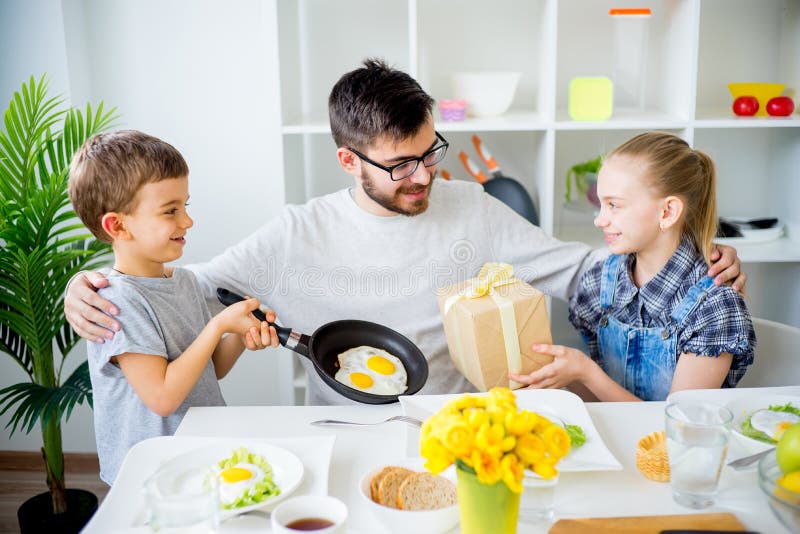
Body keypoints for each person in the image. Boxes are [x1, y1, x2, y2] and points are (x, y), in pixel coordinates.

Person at [64, 60, 745, 406]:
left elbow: (584, 270)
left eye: (430, 152)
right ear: (348, 161)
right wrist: (87, 283)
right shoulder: (297, 233)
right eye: (399, 165)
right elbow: (183, 287)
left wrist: (693, 256)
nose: (423, 176)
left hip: (459, 425)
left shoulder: (471, 207)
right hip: (342, 430)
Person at [67, 130, 279, 483]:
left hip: (200, 456)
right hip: (152, 473)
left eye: (185, 206)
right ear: (117, 225)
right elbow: (163, 397)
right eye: (170, 211)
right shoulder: (116, 302)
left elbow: (210, 370)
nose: (187, 221)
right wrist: (218, 325)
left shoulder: (185, 281)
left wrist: (240, 334)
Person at [510, 132, 755, 401]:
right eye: (601, 205)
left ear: (667, 212)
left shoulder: (714, 306)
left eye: (614, 205)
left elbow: (678, 421)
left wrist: (585, 373)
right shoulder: (600, 281)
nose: (600, 220)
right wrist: (565, 375)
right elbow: (599, 403)